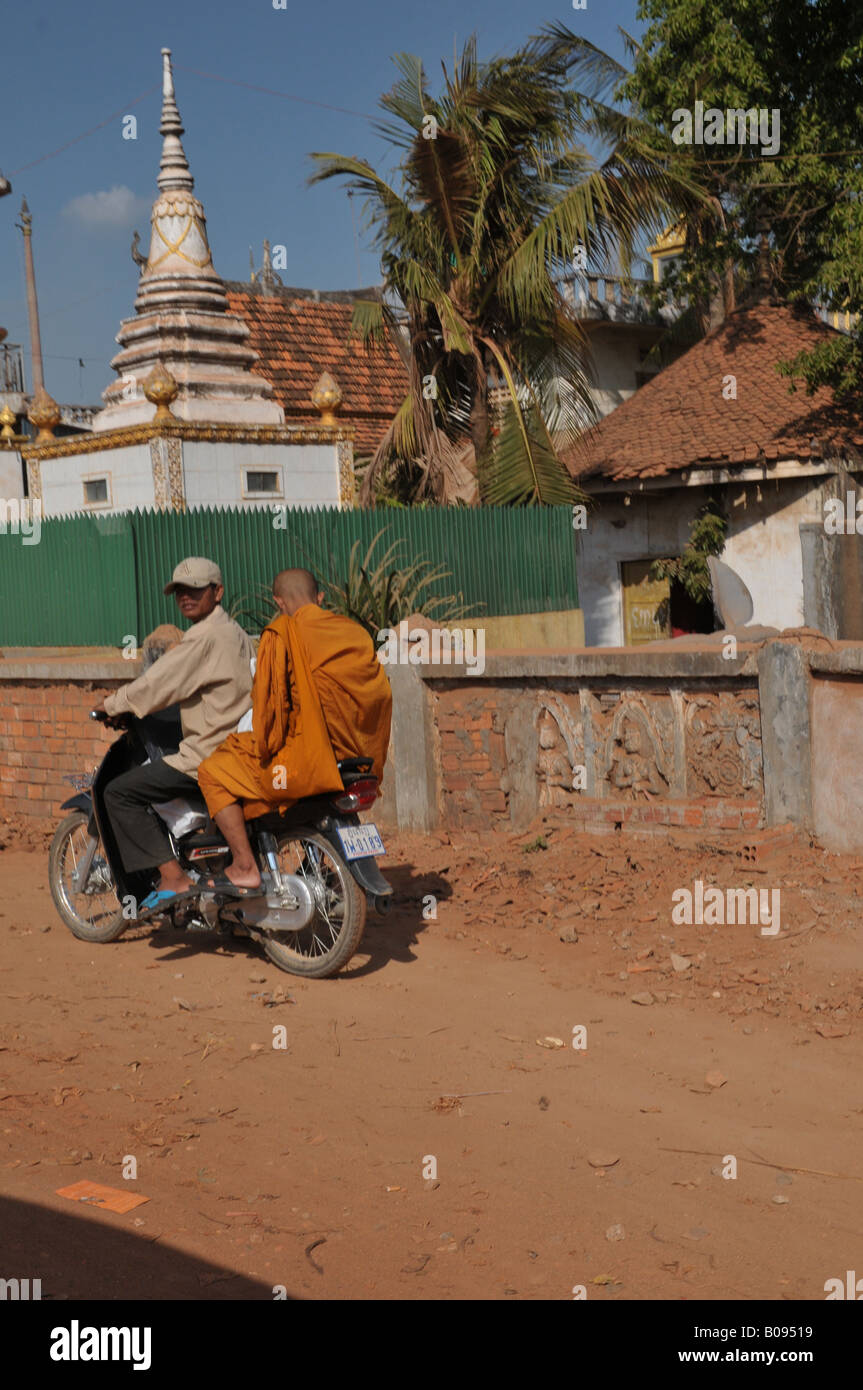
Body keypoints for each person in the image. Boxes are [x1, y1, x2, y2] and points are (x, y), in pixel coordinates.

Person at [196, 567, 392, 891]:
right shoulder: (354, 632)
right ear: (320, 598)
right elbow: (378, 695)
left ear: (279, 601)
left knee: (211, 771)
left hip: (306, 761)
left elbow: (270, 717)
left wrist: (259, 747)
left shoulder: (281, 633)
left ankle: (244, 865)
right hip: (355, 755)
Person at [99, 557, 255, 911]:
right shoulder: (237, 633)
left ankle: (173, 876)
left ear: (218, 592)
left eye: (196, 589)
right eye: (180, 591)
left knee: (119, 793)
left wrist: (112, 704)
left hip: (208, 755)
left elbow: (158, 682)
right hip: (238, 748)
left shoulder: (203, 638)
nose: (186, 597)